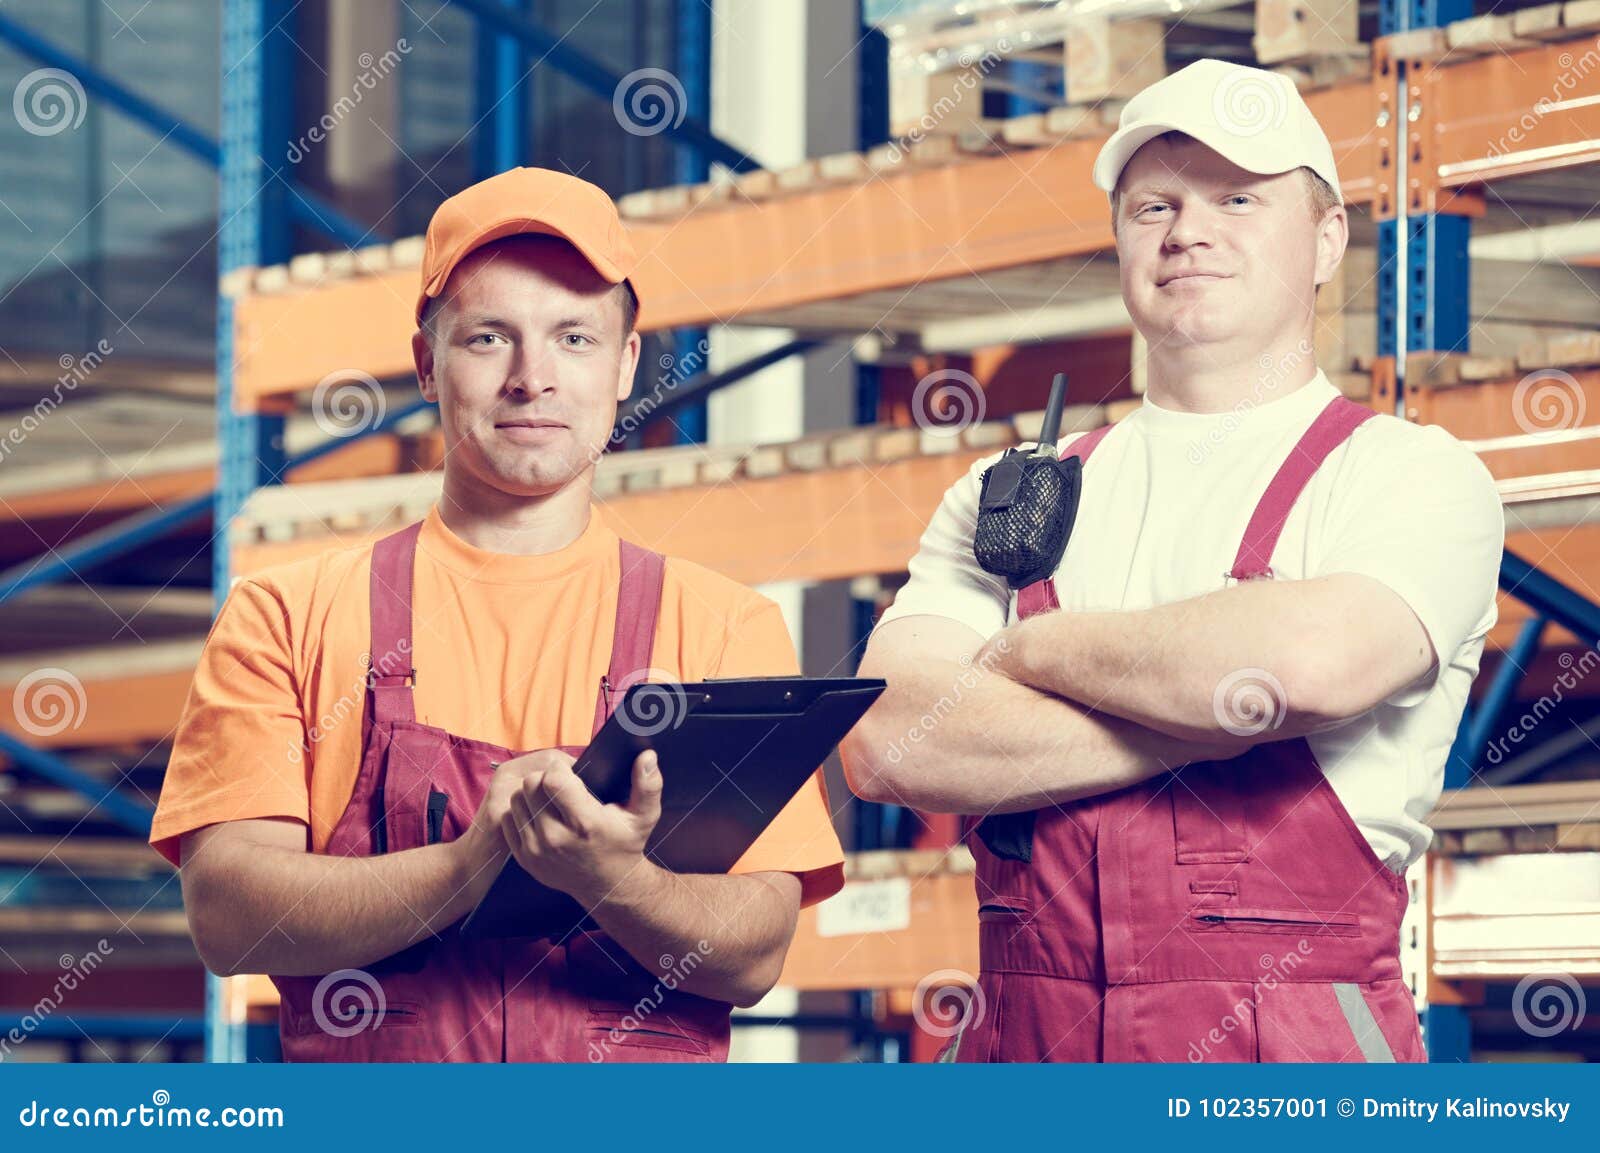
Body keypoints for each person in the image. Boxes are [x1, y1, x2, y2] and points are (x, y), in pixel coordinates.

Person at [842, 59, 1504, 1063]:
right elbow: (889, 740)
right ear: (1118, 240)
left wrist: (1026, 652)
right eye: (1155, 203)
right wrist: (1214, 719)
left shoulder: (1411, 475)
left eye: (1237, 197)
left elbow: (1305, 667)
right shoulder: (1012, 495)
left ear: (1327, 241)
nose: (1187, 230)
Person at [153, 166, 845, 1062]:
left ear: (626, 363)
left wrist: (614, 880)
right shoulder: (287, 617)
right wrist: (468, 867)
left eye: (574, 337)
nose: (533, 378)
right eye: (489, 338)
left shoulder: (722, 626)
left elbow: (754, 951)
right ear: (425, 366)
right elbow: (230, 916)